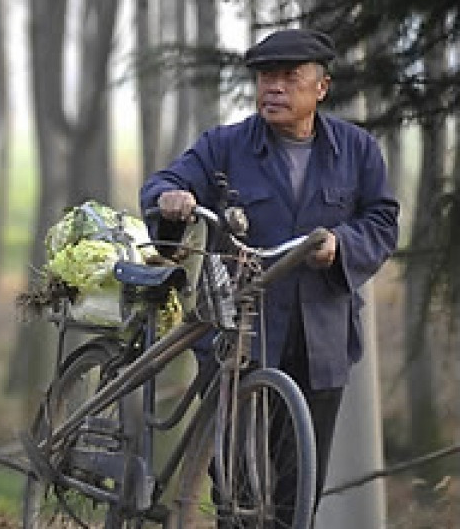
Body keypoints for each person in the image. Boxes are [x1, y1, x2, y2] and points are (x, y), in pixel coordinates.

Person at [140, 28, 399, 520]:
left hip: (322, 334)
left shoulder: (358, 149)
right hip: (239, 331)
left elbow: (382, 221)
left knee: (298, 487)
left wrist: (344, 246)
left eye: (289, 77)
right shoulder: (225, 146)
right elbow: (165, 182)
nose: (274, 88)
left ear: (320, 88)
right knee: (235, 485)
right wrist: (171, 202)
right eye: (265, 77)